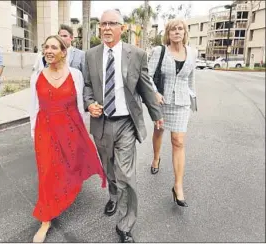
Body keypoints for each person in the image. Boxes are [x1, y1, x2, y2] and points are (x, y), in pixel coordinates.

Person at [83, 10, 163, 243]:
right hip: (102, 122)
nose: (106, 28)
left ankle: (125, 224)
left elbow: (146, 86)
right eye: (103, 24)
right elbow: (87, 85)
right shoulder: (91, 55)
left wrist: (156, 114)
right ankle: (113, 195)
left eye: (111, 24)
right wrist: (89, 104)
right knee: (109, 169)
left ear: (122, 28)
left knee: (126, 174)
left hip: (126, 122)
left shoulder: (136, 54)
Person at [29, 35, 106, 243]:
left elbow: (80, 107)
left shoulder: (76, 75)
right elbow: (34, 108)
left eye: (54, 47)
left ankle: (65, 193)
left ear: (64, 51)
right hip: (45, 130)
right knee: (46, 173)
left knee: (67, 167)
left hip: (70, 128)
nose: (49, 50)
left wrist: (84, 131)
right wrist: (33, 133)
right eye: (46, 47)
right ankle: (46, 219)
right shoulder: (37, 76)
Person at [147, 19, 197, 207]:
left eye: (180, 29)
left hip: (182, 102)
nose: (177, 32)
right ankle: (155, 157)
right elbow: (148, 76)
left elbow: (192, 77)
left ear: (185, 32)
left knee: (178, 141)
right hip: (162, 100)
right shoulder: (159, 52)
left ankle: (178, 186)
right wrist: (155, 92)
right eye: (173, 29)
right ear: (168, 33)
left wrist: (193, 96)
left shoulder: (192, 53)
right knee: (159, 131)